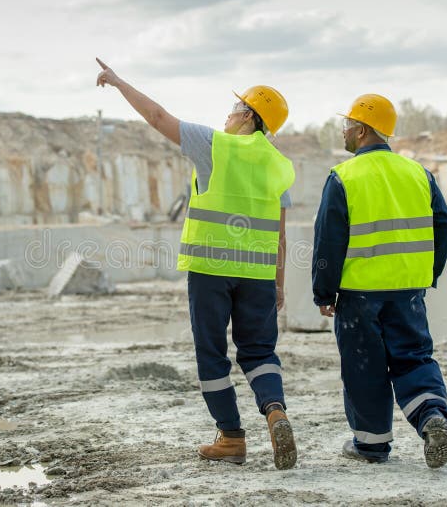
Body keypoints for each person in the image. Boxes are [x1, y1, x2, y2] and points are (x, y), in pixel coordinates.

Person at [96, 57, 297, 470]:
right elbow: (280, 235)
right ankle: (274, 409)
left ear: (247, 116)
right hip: (258, 274)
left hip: (211, 271)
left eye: (235, 107)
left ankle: (231, 437)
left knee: (211, 352)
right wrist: (279, 284)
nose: (228, 113)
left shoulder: (214, 145)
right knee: (259, 352)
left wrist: (118, 83)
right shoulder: (279, 165)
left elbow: (156, 116)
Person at [311, 93, 447, 468]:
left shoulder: (343, 176)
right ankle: (431, 416)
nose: (343, 130)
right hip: (408, 291)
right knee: (413, 358)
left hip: (359, 295)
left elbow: (328, 239)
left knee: (364, 368)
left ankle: (371, 445)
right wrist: (427, 273)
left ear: (360, 130)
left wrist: (323, 291)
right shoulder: (417, 173)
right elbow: (444, 224)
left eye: (346, 124)